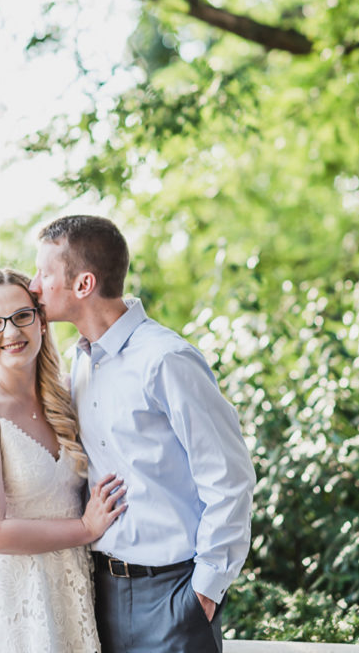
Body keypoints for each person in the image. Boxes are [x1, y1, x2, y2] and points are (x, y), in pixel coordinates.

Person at [29, 215, 256, 653]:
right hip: (96, 593)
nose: (34, 285)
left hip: (174, 596)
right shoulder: (79, 365)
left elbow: (230, 478)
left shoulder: (166, 360)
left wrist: (204, 591)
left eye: (45, 273)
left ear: (83, 284)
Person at [0, 267, 127, 653]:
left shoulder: (66, 396)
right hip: (13, 603)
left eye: (21, 316)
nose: (11, 333)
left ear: (41, 321)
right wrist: (85, 528)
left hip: (73, 592)